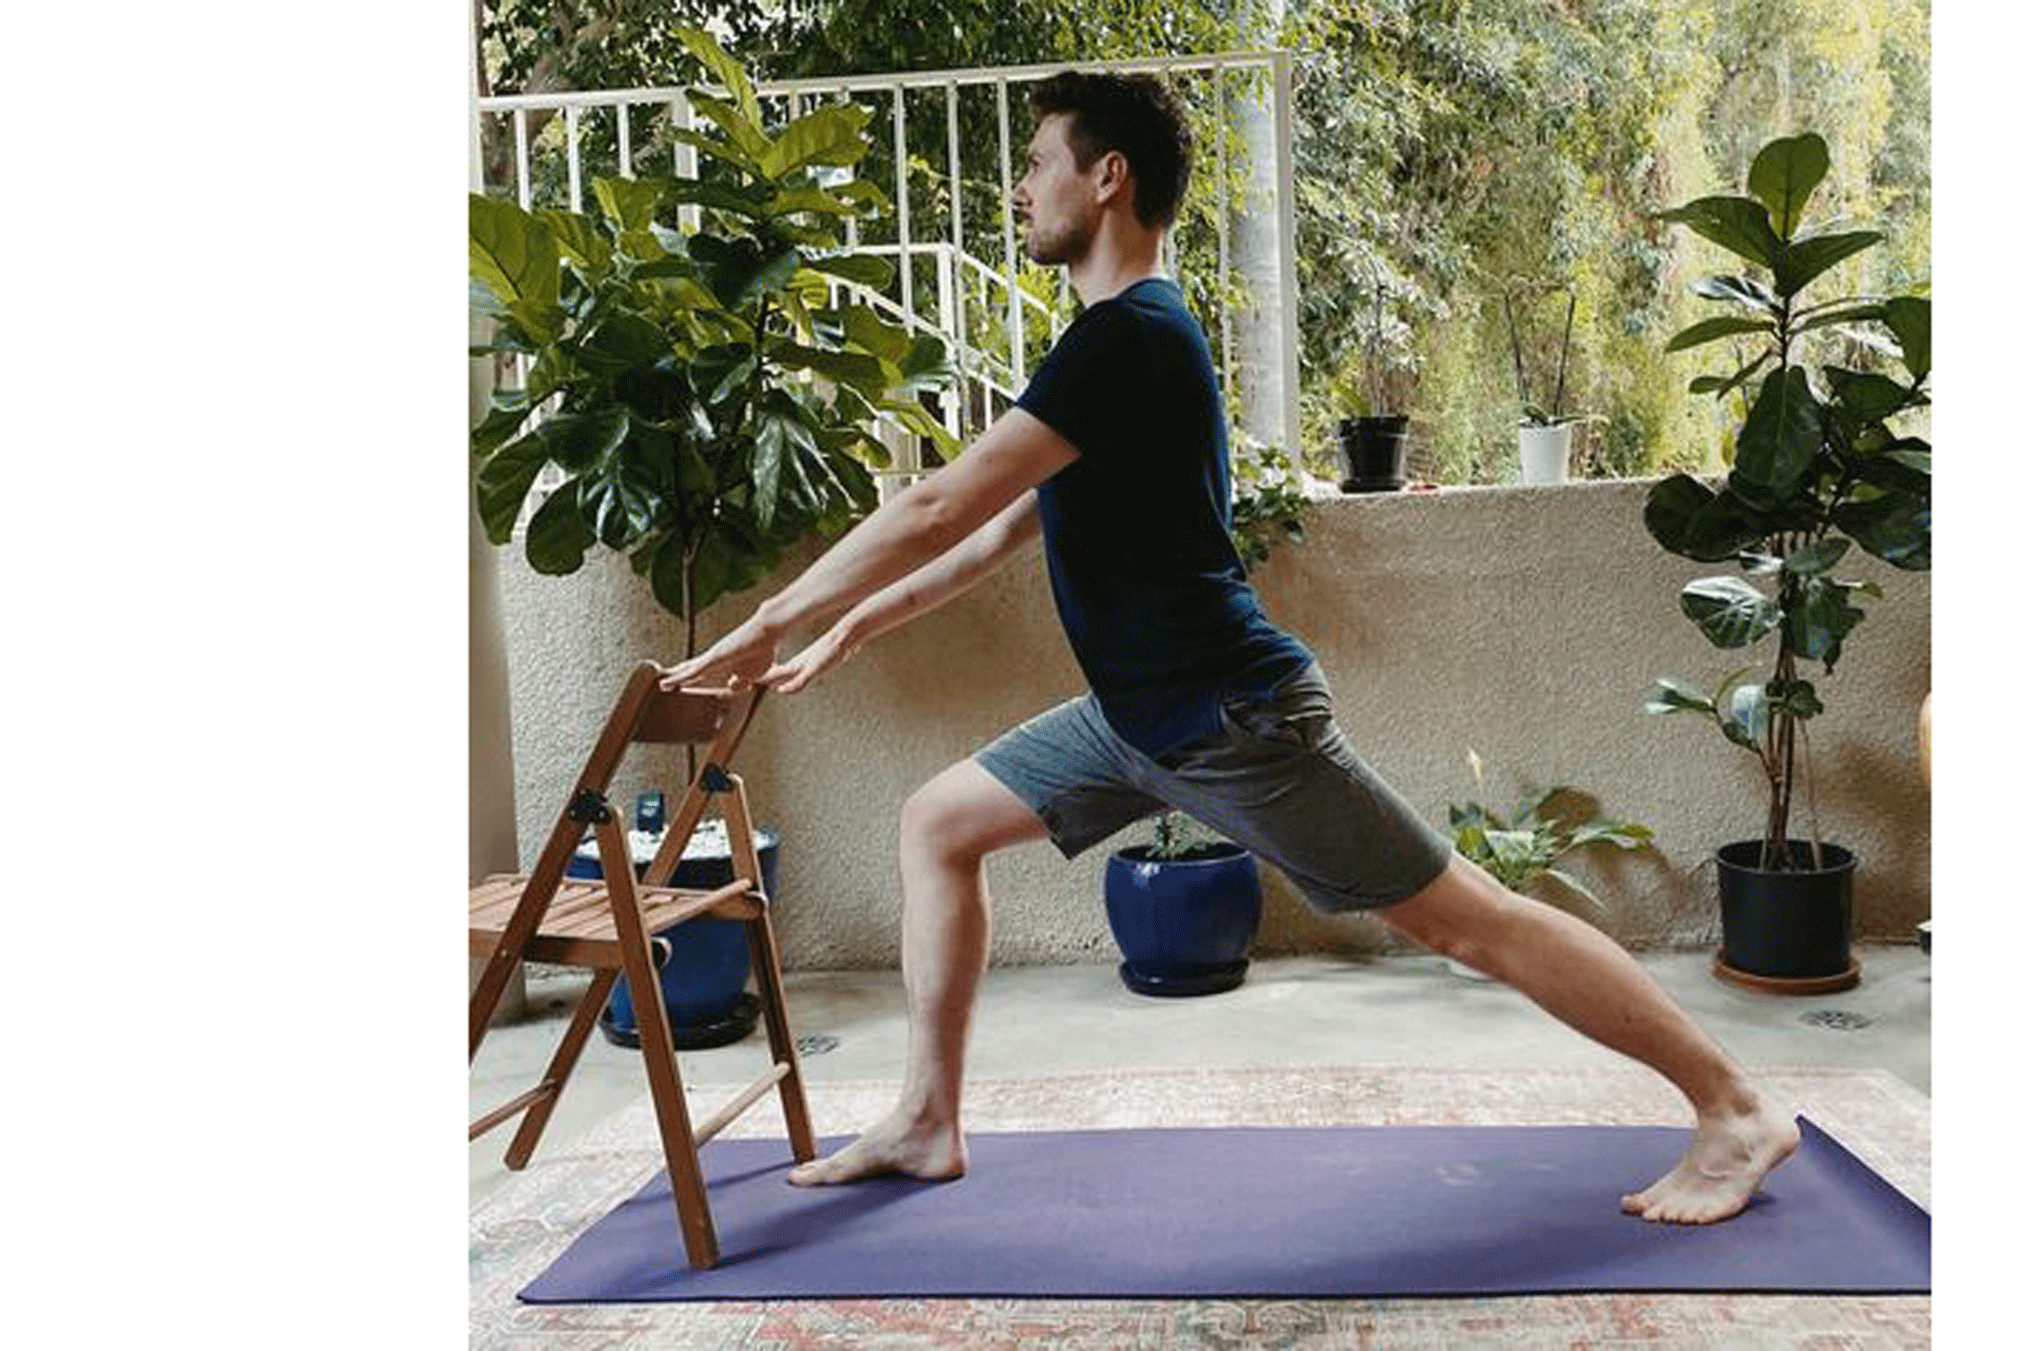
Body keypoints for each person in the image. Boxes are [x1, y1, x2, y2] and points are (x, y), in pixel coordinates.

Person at [662, 71, 1798, 1225]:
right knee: (939, 823)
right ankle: (926, 1120)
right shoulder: (1110, 345)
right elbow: (997, 531)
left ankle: (1734, 1104)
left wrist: (763, 623)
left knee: (1468, 920)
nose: (1019, 186)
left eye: (1040, 159)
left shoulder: (1133, 336)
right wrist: (851, 626)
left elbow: (933, 507)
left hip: (1230, 719)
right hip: (1133, 718)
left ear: (1108, 178)